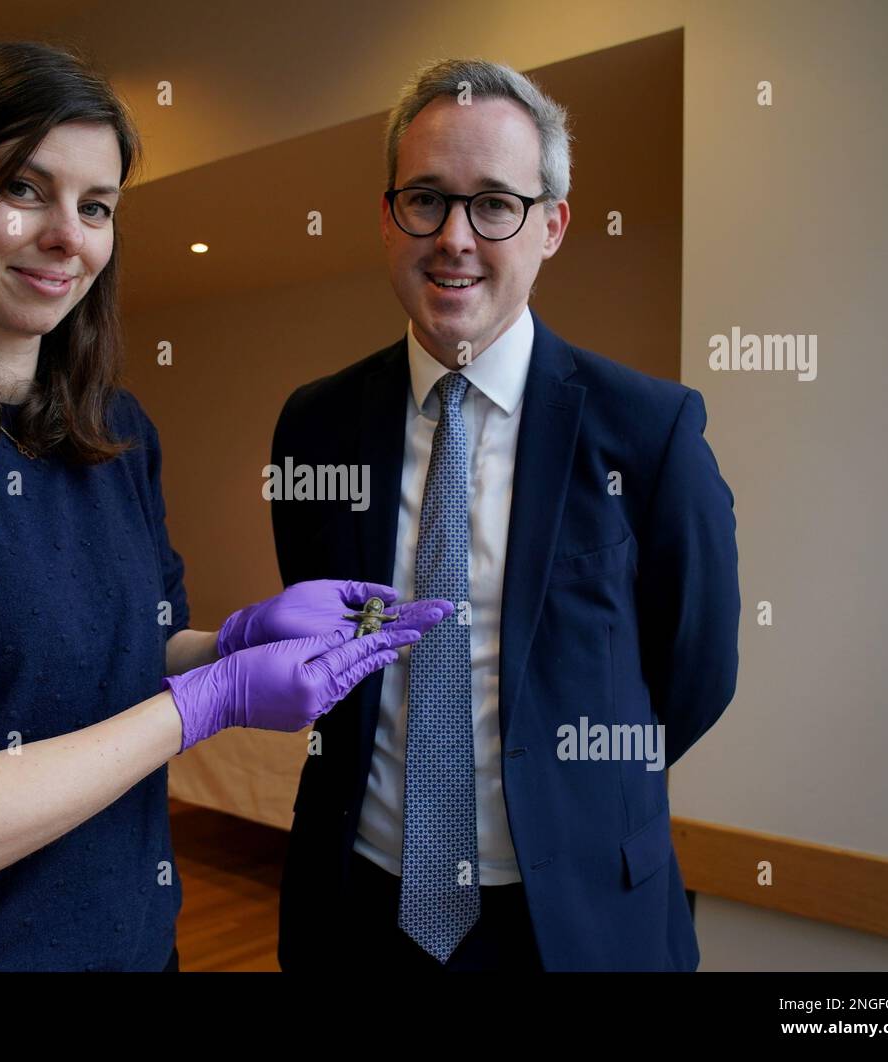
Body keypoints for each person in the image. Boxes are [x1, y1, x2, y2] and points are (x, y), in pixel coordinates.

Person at [0, 41, 448, 973]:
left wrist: (230, 643)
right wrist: (211, 701)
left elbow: (129, 655)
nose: (70, 236)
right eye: (26, 189)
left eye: (96, 207)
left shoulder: (116, 432)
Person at [271, 58, 740, 972]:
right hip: (360, 911)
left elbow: (697, 670)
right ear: (386, 215)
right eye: (426, 199)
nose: (454, 237)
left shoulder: (649, 432)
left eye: (494, 203)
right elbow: (329, 641)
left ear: (551, 224)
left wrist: (582, 793)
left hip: (576, 923)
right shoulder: (314, 426)